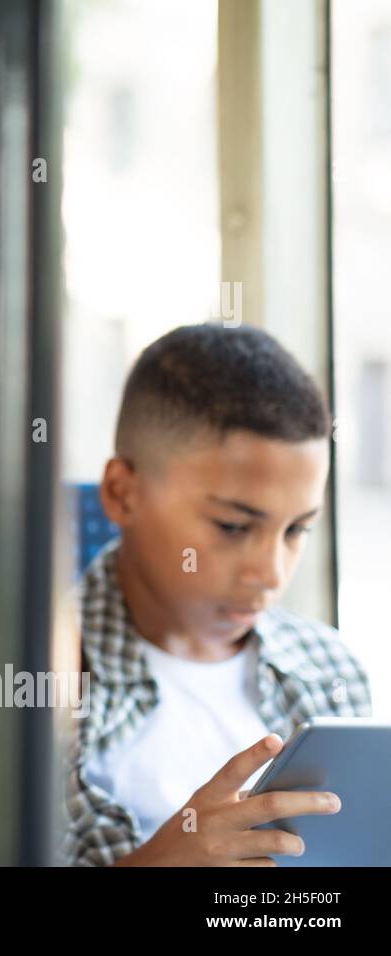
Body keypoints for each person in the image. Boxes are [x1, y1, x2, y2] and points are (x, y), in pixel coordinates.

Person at [64, 324, 370, 865]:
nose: (271, 574)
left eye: (296, 530)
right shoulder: (29, 684)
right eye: (232, 526)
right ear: (122, 493)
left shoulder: (330, 671)